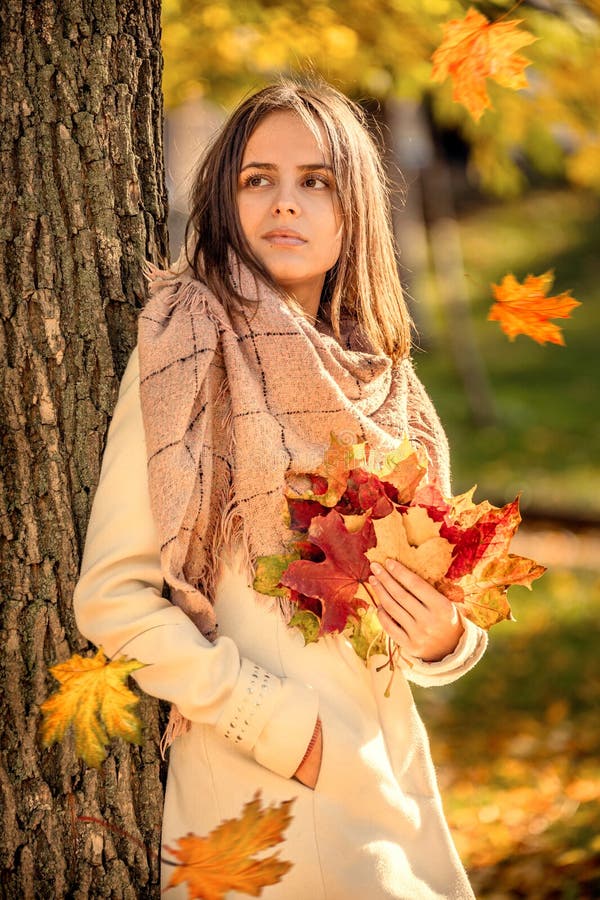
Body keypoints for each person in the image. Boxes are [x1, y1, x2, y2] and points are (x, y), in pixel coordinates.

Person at [73, 78, 488, 899]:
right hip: (262, 796)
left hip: (391, 787)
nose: (284, 203)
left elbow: (420, 612)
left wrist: (446, 642)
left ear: (353, 208)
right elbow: (114, 597)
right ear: (227, 201)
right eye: (257, 178)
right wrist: (280, 726)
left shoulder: (385, 378)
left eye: (315, 180)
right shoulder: (186, 346)